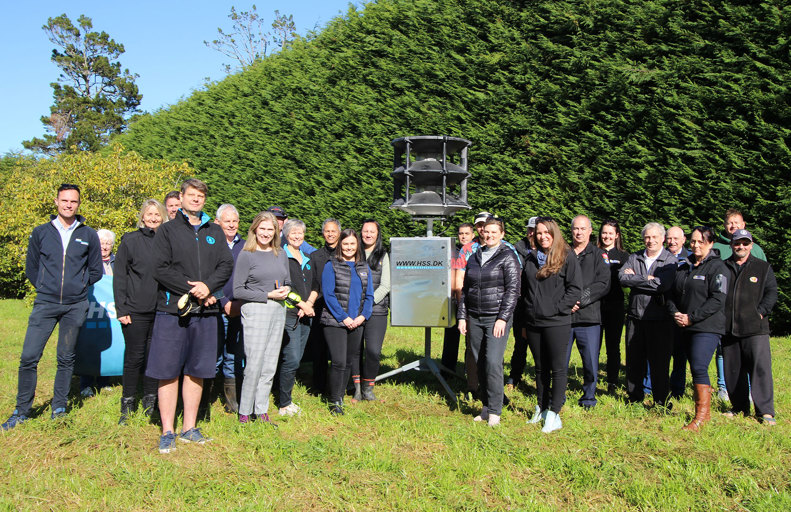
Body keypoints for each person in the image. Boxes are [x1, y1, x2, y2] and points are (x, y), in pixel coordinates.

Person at [2, 184, 102, 430]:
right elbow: (31, 267)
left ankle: (59, 407)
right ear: (56, 202)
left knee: (65, 358)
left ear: (79, 204)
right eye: (65, 200)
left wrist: (77, 287)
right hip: (45, 304)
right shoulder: (40, 232)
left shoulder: (88, 234)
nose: (69, 205)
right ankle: (22, 410)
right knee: (29, 357)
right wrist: (46, 287)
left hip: (74, 306)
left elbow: (96, 270)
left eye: (74, 201)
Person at [146, 178, 234, 453]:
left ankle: (189, 428)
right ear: (181, 197)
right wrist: (193, 289)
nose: (196, 200)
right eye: (191, 195)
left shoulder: (215, 232)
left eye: (201, 196)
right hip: (173, 311)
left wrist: (209, 286)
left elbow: (225, 264)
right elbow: (160, 268)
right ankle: (168, 431)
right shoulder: (168, 231)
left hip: (206, 313)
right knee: (168, 371)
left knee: (197, 371)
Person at [458, 217, 520, 427]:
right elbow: (466, 290)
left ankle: (495, 410)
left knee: (493, 361)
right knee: (478, 362)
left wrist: (503, 318)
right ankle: (485, 406)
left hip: (496, 318)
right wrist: (462, 316)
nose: (489, 235)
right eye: (487, 231)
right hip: (474, 316)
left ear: (502, 234)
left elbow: (513, 290)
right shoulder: (474, 257)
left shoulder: (508, 256)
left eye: (495, 232)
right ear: (482, 233)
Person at [522, 217, 582, 433]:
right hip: (534, 322)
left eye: (547, 232)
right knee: (540, 368)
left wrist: (557, 308)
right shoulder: (530, 259)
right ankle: (542, 406)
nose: (542, 236)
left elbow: (575, 289)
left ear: (554, 233)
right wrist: (527, 315)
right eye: (539, 233)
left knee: (557, 368)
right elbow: (525, 291)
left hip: (557, 321)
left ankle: (554, 413)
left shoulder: (567, 256)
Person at [667, 226, 728, 432]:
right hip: (683, 325)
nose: (696, 245)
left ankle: (701, 417)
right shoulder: (685, 265)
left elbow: (718, 299)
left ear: (711, 243)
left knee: (700, 366)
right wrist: (675, 313)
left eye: (701, 241)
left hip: (706, 326)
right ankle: (706, 414)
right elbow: (672, 295)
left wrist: (691, 318)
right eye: (693, 241)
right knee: (693, 366)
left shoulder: (718, 267)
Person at [233, 211, 290, 424]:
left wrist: (286, 290)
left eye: (270, 229)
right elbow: (238, 290)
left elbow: (288, 281)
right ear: (255, 229)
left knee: (269, 364)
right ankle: (245, 412)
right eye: (262, 228)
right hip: (256, 310)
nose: (266, 233)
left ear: (276, 231)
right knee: (254, 363)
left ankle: (262, 409)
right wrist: (267, 295)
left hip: (278, 310)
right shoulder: (247, 254)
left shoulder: (280, 253)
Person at [114, 199, 167, 424]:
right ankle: (127, 403)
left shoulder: (167, 242)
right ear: (142, 216)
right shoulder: (130, 240)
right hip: (135, 310)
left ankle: (150, 402)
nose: (153, 218)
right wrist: (122, 308)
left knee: (154, 359)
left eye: (157, 214)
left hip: (161, 310)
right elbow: (120, 276)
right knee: (134, 358)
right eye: (149, 214)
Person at [721, 229, 777, 425]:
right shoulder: (723, 267)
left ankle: (765, 411)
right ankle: (739, 407)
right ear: (732, 245)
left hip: (755, 328)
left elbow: (771, 293)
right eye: (737, 243)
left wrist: (760, 311)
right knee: (733, 370)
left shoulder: (763, 267)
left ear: (751, 245)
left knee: (760, 370)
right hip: (729, 328)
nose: (741, 246)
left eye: (745, 243)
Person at [619, 223, 677, 407]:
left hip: (659, 318)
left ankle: (661, 401)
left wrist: (635, 279)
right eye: (647, 237)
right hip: (635, 317)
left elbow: (663, 285)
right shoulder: (634, 257)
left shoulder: (669, 260)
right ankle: (634, 398)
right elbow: (622, 278)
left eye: (654, 237)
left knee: (659, 362)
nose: (650, 241)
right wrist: (646, 279)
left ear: (662, 239)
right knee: (634, 361)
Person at [712, 209, 766, 401]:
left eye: (737, 222)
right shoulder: (716, 247)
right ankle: (723, 387)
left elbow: (764, 280)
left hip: (749, 314)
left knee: (749, 352)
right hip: (723, 311)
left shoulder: (755, 248)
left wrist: (760, 310)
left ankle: (751, 389)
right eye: (729, 223)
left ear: (743, 225)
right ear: (725, 226)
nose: (733, 226)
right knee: (723, 350)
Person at [320, 228, 374, 415]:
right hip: (335, 322)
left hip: (357, 322)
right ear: (340, 246)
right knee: (339, 362)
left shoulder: (363, 266)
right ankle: (335, 401)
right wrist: (344, 318)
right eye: (345, 244)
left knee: (350, 362)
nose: (349, 247)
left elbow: (369, 295)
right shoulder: (331, 265)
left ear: (357, 245)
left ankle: (340, 395)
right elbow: (328, 295)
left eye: (352, 244)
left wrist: (362, 317)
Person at [566, 215, 610, 410]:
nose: (579, 232)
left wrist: (579, 301)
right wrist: (567, 303)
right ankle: (558, 395)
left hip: (588, 317)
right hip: (565, 317)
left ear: (590, 231)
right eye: (576, 228)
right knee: (559, 361)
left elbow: (603, 284)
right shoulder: (563, 253)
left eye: (583, 229)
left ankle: (589, 398)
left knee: (590, 362)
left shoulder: (599, 255)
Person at [278, 219, 318, 416]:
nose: (296, 236)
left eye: (300, 233)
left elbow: (315, 286)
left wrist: (309, 304)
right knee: (291, 359)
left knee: (298, 358)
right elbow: (283, 287)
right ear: (286, 234)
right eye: (293, 233)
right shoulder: (280, 257)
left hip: (306, 315)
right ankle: (284, 403)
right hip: (290, 315)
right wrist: (301, 304)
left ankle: (286, 396)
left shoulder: (308, 258)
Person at [353, 219, 391, 401]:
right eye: (365, 231)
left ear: (377, 234)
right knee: (355, 350)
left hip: (376, 310)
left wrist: (368, 303)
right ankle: (357, 387)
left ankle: (369, 386)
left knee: (373, 351)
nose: (368, 234)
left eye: (372, 231)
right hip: (353, 310)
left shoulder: (384, 255)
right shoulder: (352, 252)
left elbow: (386, 285)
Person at [215, 204, 245, 414]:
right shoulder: (212, 244)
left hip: (240, 307)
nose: (232, 225)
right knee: (214, 354)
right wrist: (223, 301)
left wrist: (238, 303)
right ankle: (205, 398)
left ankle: (231, 401)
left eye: (235, 221)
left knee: (233, 355)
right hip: (217, 307)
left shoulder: (245, 246)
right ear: (218, 223)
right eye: (228, 221)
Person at [79, 228, 116, 397]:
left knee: (109, 343)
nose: (105, 247)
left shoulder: (116, 262)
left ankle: (104, 381)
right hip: (90, 309)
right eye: (101, 243)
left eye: (108, 243)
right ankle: (85, 382)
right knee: (88, 343)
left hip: (111, 312)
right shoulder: (88, 261)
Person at [307, 218, 342, 395]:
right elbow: (313, 283)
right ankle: (319, 385)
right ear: (323, 233)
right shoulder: (315, 256)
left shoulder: (346, 254)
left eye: (333, 231)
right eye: (327, 231)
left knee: (338, 350)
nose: (330, 234)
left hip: (341, 307)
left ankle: (340, 385)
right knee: (319, 348)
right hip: (320, 307)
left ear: (339, 233)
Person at [597, 219, 629, 394]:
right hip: (595, 306)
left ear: (617, 235)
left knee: (613, 346)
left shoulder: (624, 257)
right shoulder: (593, 253)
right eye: (604, 232)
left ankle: (612, 381)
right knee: (594, 345)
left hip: (615, 306)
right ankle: (591, 379)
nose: (607, 236)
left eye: (610, 233)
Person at [506, 216, 537, 391]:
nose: (532, 233)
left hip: (538, 303)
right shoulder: (517, 249)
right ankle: (514, 377)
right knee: (520, 343)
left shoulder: (546, 250)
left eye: (535, 229)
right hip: (520, 304)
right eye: (530, 229)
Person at [441, 222, 475, 375]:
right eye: (461, 233)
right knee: (450, 337)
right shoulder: (452, 252)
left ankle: (470, 371)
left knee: (471, 337)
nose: (463, 236)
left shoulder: (476, 251)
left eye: (467, 233)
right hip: (454, 300)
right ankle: (447, 370)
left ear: (473, 235)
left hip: (470, 299)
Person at [666, 226, 690, 399]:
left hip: (682, 312)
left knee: (680, 355)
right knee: (660, 352)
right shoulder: (661, 255)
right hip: (662, 310)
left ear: (684, 240)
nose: (672, 242)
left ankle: (677, 390)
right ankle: (653, 385)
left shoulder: (690, 258)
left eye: (676, 238)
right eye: (669, 238)